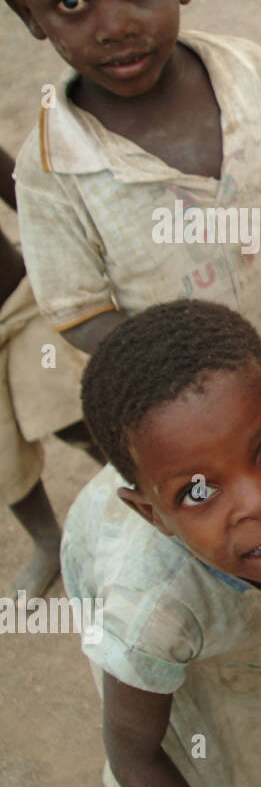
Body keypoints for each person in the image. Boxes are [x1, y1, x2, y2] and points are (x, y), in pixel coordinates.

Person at [0, 0, 261, 418]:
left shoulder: (246, 70)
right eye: (72, 3)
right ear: (28, 15)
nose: (115, 26)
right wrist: (204, 376)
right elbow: (80, 314)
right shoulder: (52, 169)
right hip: (209, 414)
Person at [61, 300, 261, 787]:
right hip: (175, 634)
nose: (257, 502)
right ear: (152, 514)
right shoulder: (150, 611)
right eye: (197, 492)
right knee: (219, 731)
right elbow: (133, 756)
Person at [0, 142, 100, 596]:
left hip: (18, 305)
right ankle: (47, 540)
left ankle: (151, 493)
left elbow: (24, 195)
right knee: (4, 459)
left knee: (74, 412)